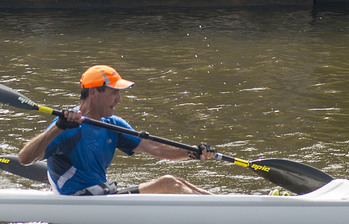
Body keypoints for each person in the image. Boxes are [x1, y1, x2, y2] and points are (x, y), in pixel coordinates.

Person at [18, 64, 215, 195]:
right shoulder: (66, 127)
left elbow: (155, 148)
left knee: (171, 181)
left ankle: (222, 202)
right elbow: (25, 159)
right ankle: (223, 212)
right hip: (80, 200)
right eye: (114, 93)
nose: (119, 100)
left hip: (102, 194)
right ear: (94, 92)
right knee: (169, 185)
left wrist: (193, 153)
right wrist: (57, 128)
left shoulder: (112, 124)